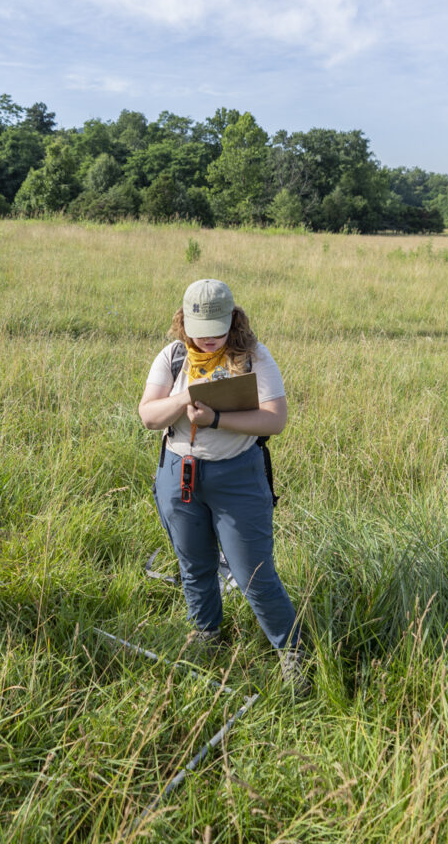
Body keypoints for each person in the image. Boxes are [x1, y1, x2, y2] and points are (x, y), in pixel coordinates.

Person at [138, 279, 307, 690]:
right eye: (201, 330)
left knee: (254, 574)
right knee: (194, 565)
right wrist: (182, 401)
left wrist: (215, 419)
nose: (210, 339)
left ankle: (292, 655)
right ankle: (207, 635)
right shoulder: (173, 357)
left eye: (218, 329)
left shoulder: (254, 357)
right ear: (183, 321)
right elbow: (148, 415)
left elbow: (275, 420)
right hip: (178, 474)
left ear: (234, 319)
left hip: (237, 476)